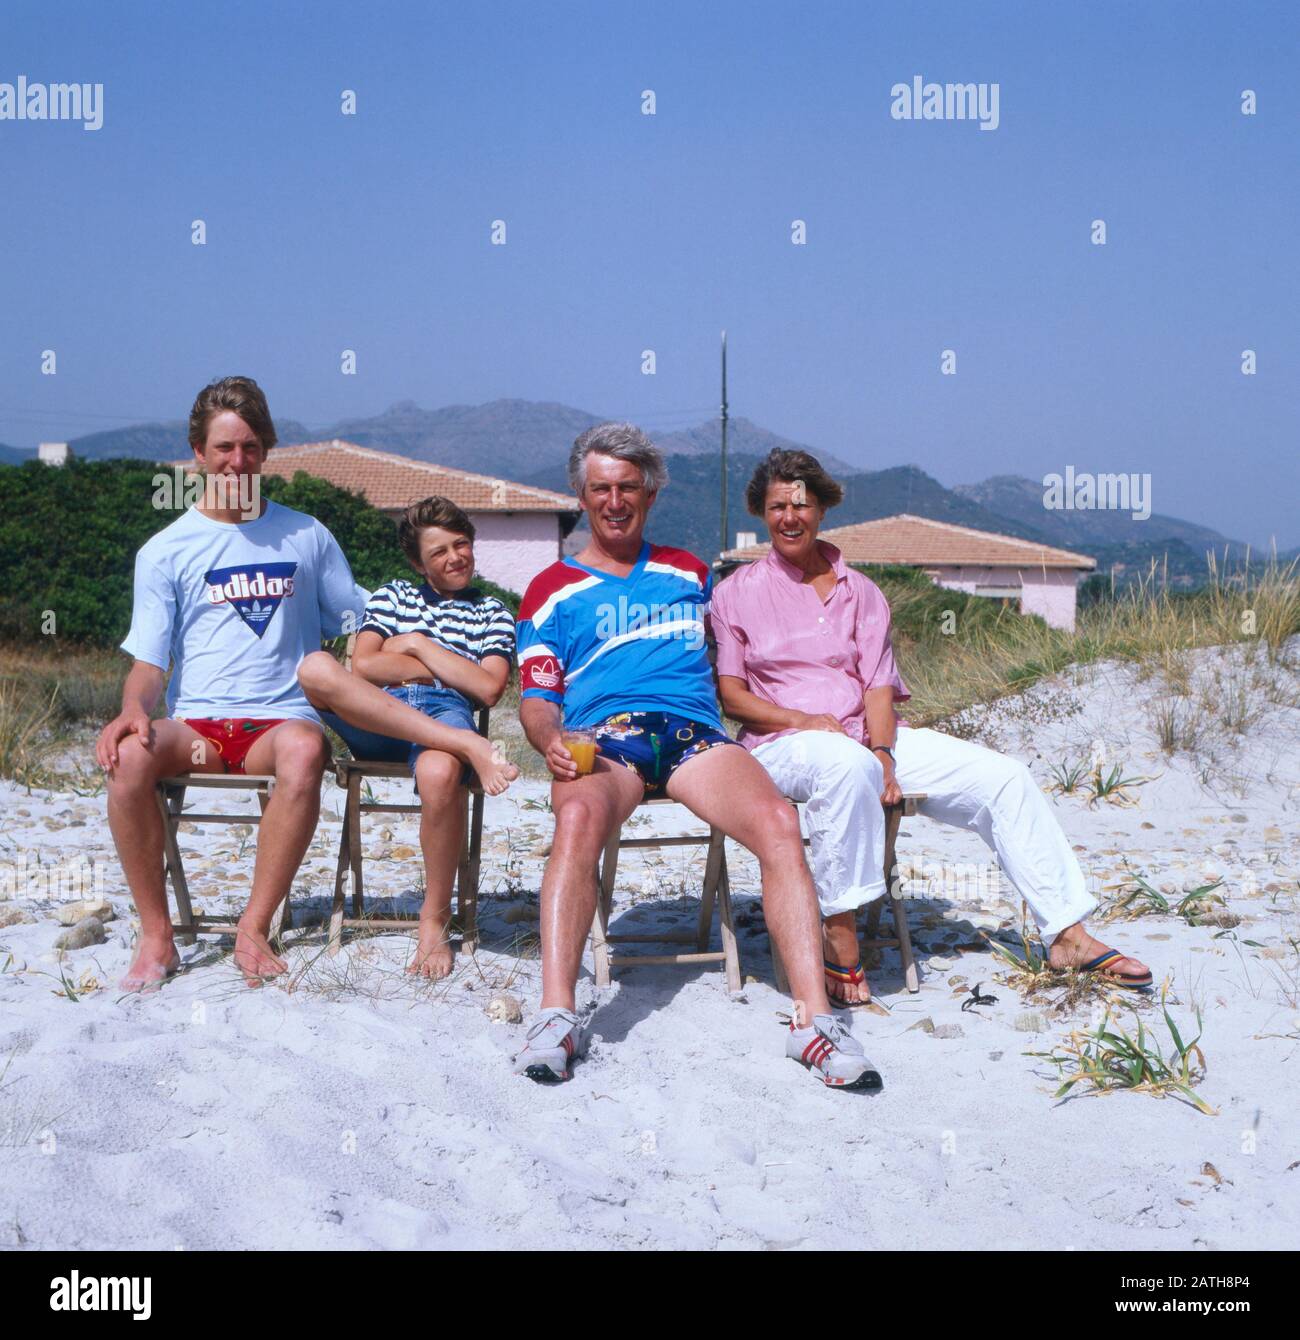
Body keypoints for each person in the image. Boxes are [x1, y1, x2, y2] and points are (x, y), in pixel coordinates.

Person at [98, 375, 514, 992]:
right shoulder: (166, 550)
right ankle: (157, 936)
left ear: (266, 450)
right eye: (224, 448)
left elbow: (358, 619)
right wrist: (133, 708)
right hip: (199, 726)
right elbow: (151, 663)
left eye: (250, 447)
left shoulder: (305, 535)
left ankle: (254, 926)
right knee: (128, 758)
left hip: (279, 721)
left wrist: (431, 637)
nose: (238, 461)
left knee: (305, 747)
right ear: (197, 453)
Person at [510, 422, 882, 1090]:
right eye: (601, 488)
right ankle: (556, 1015)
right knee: (575, 821)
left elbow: (757, 635)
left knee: (777, 821)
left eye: (629, 487)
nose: (615, 501)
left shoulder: (689, 572)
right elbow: (536, 695)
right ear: (580, 494)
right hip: (607, 734)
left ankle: (813, 1022)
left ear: (649, 494)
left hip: (692, 733)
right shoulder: (550, 589)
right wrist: (549, 741)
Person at [709, 448, 1153, 1005]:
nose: (789, 517)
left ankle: (1067, 934)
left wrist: (886, 755)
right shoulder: (734, 593)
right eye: (776, 506)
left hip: (865, 734)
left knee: (1002, 778)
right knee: (844, 765)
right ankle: (839, 935)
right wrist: (805, 720)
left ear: (823, 509)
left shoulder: (862, 592)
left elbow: (877, 687)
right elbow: (732, 695)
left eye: (801, 504)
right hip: (781, 743)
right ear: (761, 512)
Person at [302, 496, 516, 980]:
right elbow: (365, 665)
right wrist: (451, 667)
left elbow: (486, 687)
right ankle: (469, 747)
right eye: (439, 552)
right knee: (316, 668)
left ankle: (434, 917)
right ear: (419, 562)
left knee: (441, 773)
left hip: (447, 711)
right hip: (379, 716)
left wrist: (418, 643)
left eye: (461, 545)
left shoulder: (492, 611)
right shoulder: (393, 594)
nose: (455, 557)